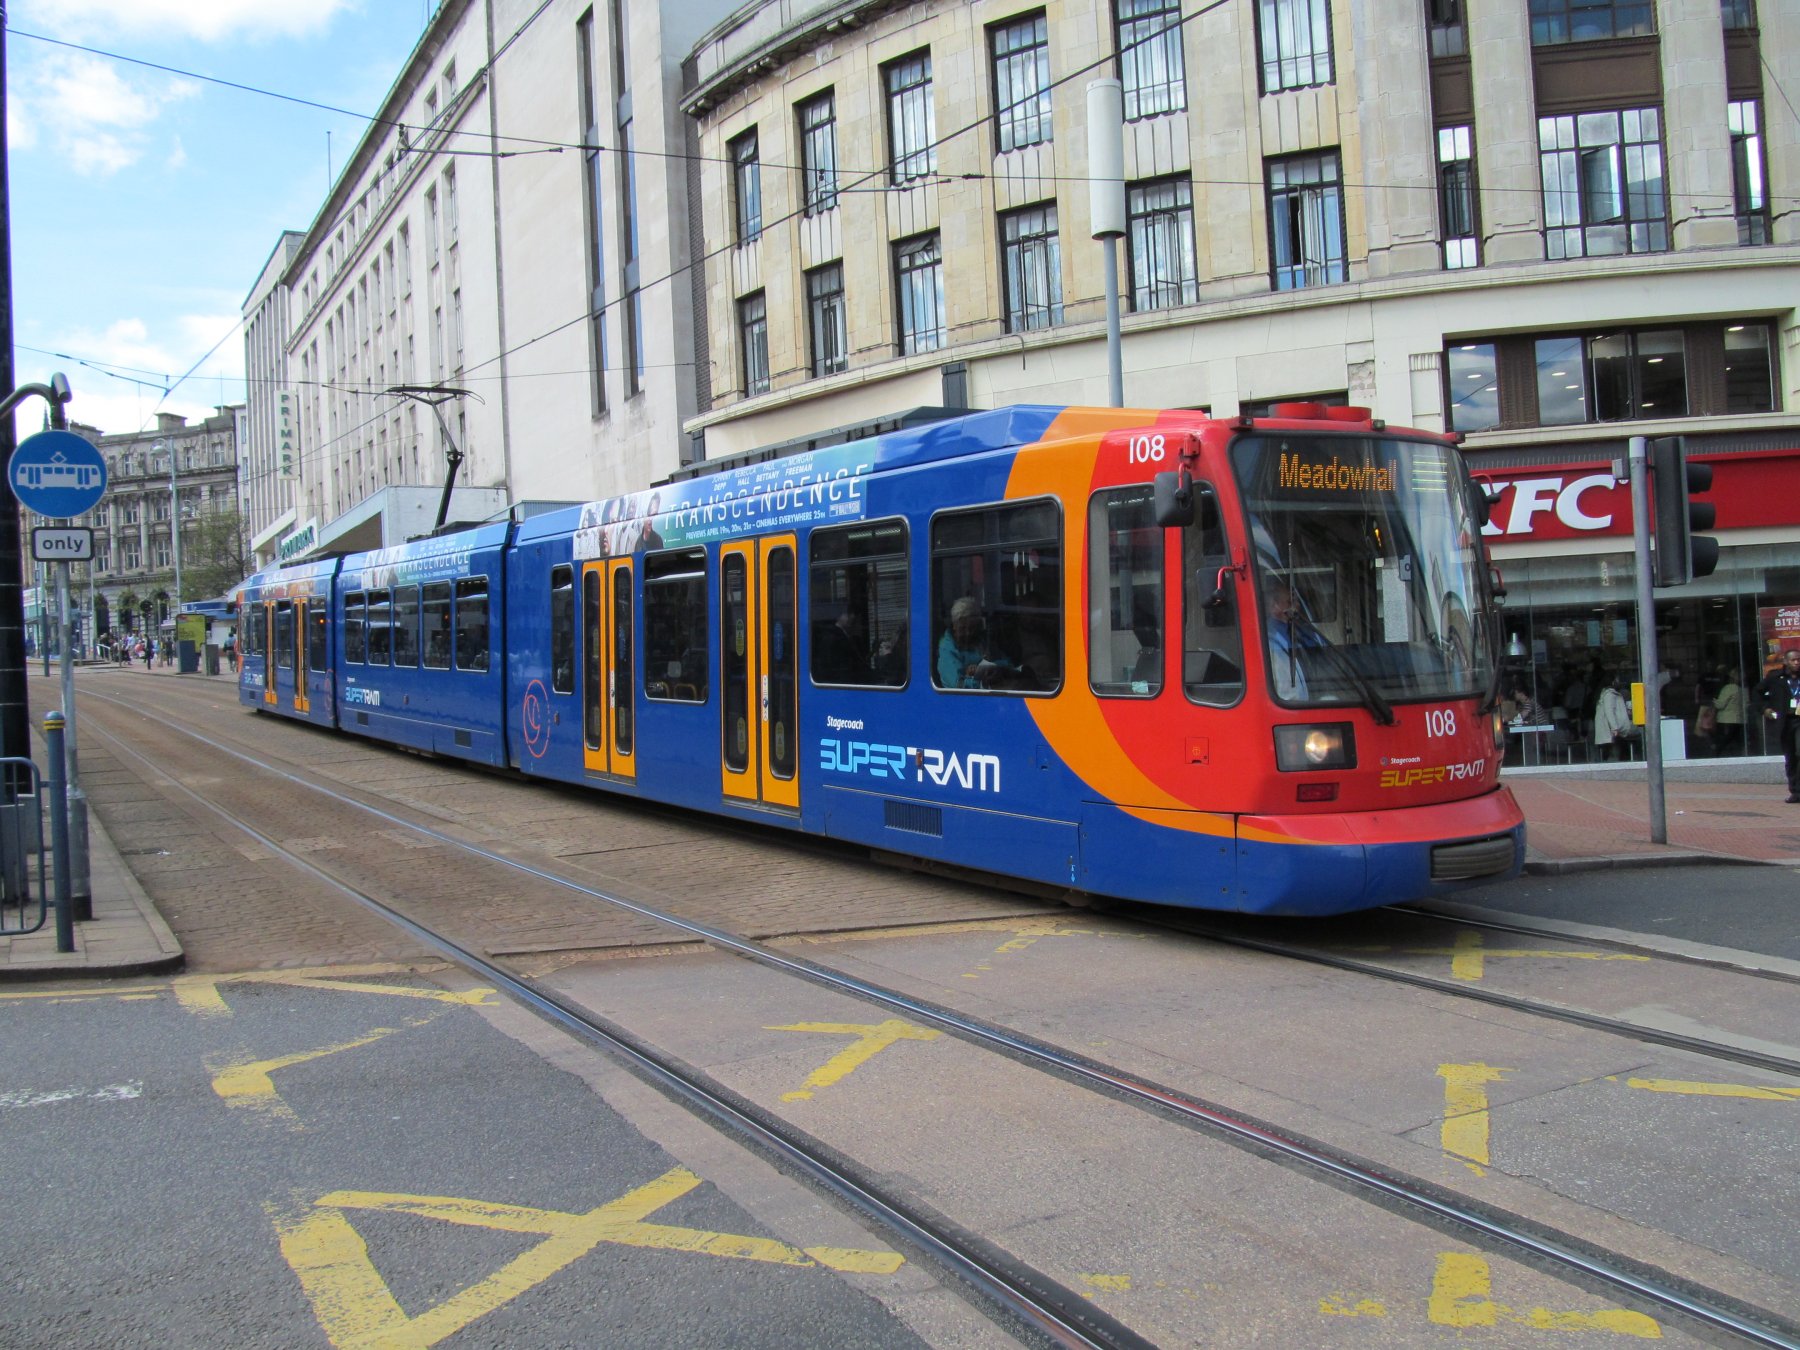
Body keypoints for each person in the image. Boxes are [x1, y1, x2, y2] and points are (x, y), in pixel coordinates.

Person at [935, 596, 1013, 689]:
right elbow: (958, 686)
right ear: (954, 625)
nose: (968, 633)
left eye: (972, 628)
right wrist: (974, 677)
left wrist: (995, 668)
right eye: (963, 628)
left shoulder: (982, 640)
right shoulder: (947, 648)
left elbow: (1008, 664)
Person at [1755, 648, 1800, 804]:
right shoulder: (1775, 677)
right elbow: (1758, 693)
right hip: (1785, 721)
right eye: (1793, 660)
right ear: (1786, 662)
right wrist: (1765, 709)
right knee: (1791, 756)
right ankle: (1795, 791)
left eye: (1798, 660)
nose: (1796, 663)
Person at [1265, 581, 1323, 700]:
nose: (1297, 606)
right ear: (1274, 606)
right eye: (1289, 603)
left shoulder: (1298, 627)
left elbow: (1320, 650)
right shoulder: (1270, 635)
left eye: (1297, 601)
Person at [1592, 675, 1635, 761]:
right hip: (1612, 732)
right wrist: (1614, 728)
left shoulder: (1606, 694)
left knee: (1614, 753)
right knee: (1614, 754)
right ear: (1612, 682)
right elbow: (1609, 712)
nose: (1619, 682)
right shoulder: (1609, 695)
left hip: (1611, 731)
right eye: (1617, 680)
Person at [1713, 666, 1745, 758]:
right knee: (1736, 742)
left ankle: (1717, 758)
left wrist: (1714, 700)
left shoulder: (1728, 688)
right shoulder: (1742, 689)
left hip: (1726, 720)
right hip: (1739, 719)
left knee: (1722, 743)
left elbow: (1720, 705)